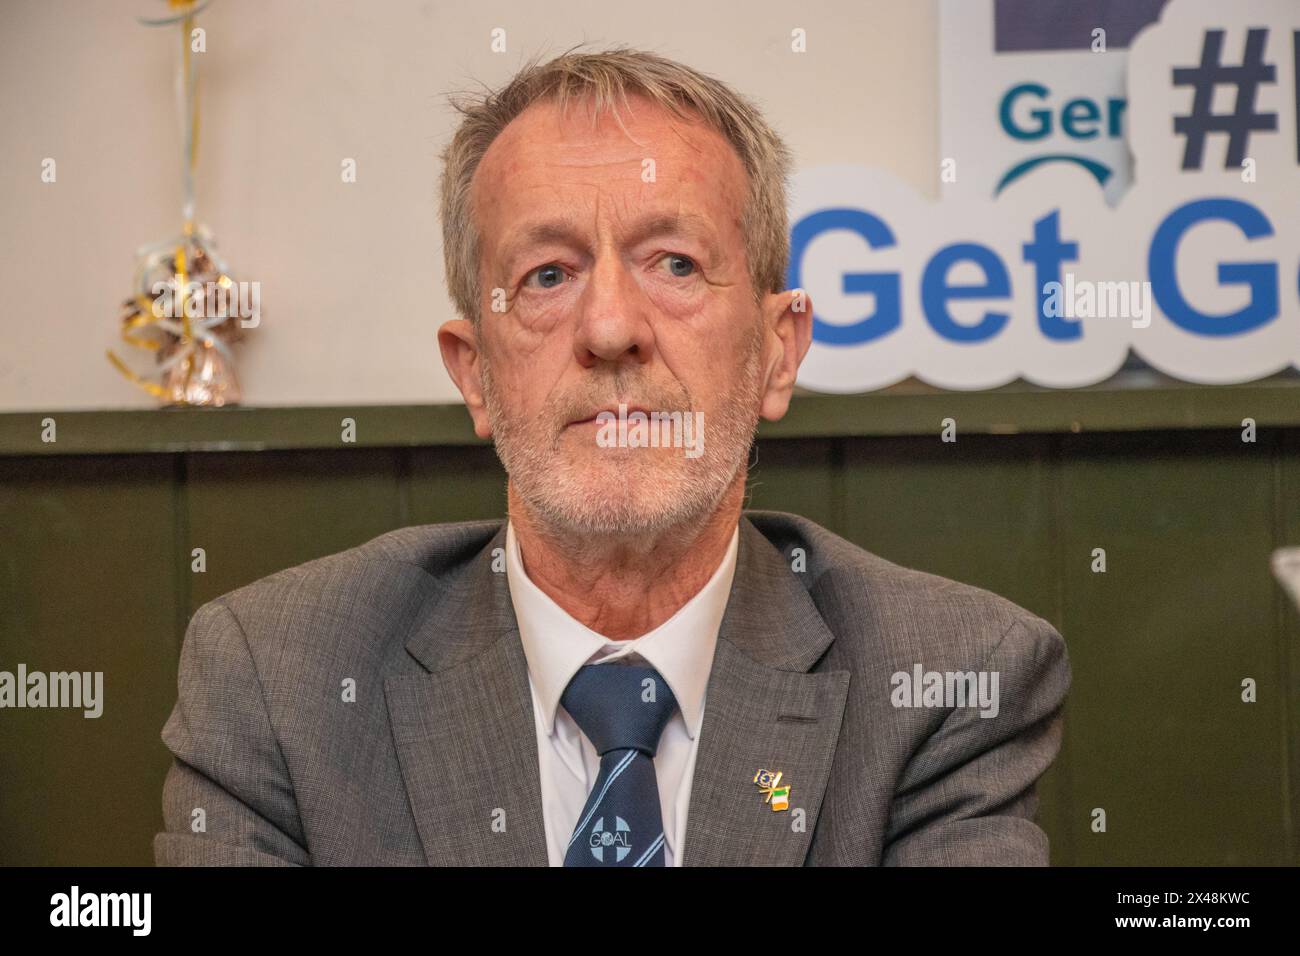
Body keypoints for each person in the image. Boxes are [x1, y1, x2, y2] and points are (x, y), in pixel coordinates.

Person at [154, 47, 1070, 867]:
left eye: (673, 262)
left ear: (777, 352)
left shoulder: (948, 679)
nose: (609, 329)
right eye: (547, 276)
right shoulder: (278, 683)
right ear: (475, 375)